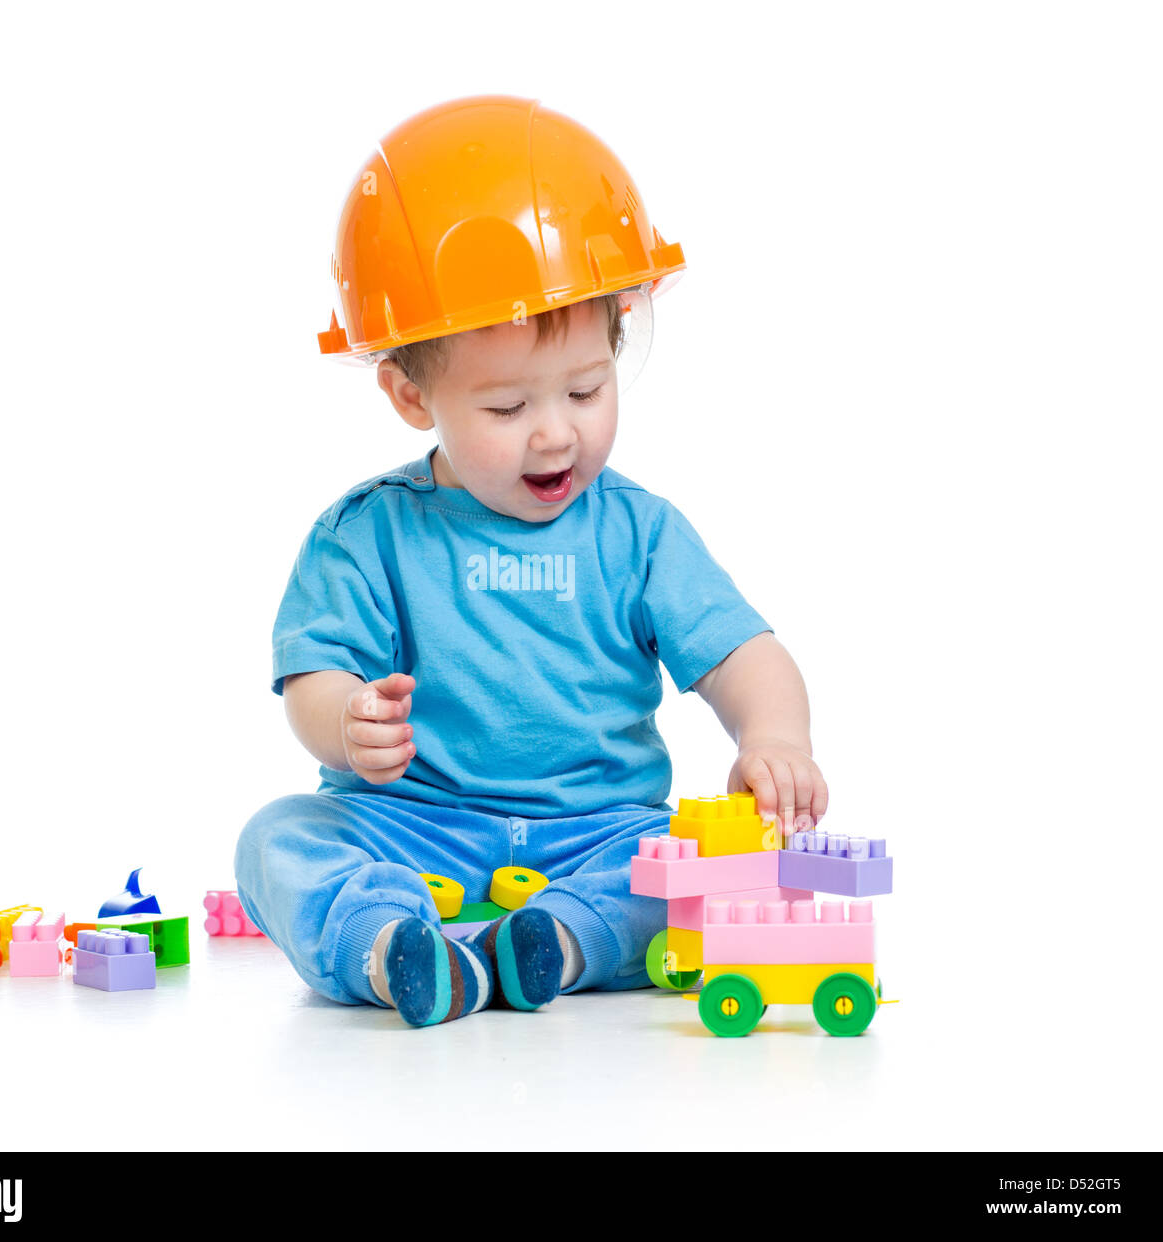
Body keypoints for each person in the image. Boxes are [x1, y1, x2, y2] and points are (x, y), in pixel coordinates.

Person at [235, 96, 828, 1027]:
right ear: (406, 392)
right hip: (411, 826)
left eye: (588, 388)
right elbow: (313, 675)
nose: (556, 432)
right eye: (507, 409)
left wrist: (775, 737)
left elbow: (744, 652)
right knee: (279, 839)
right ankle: (393, 945)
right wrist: (346, 724)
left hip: (599, 833)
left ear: (617, 340)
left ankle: (557, 940)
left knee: (708, 869)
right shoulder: (365, 534)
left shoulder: (638, 532)